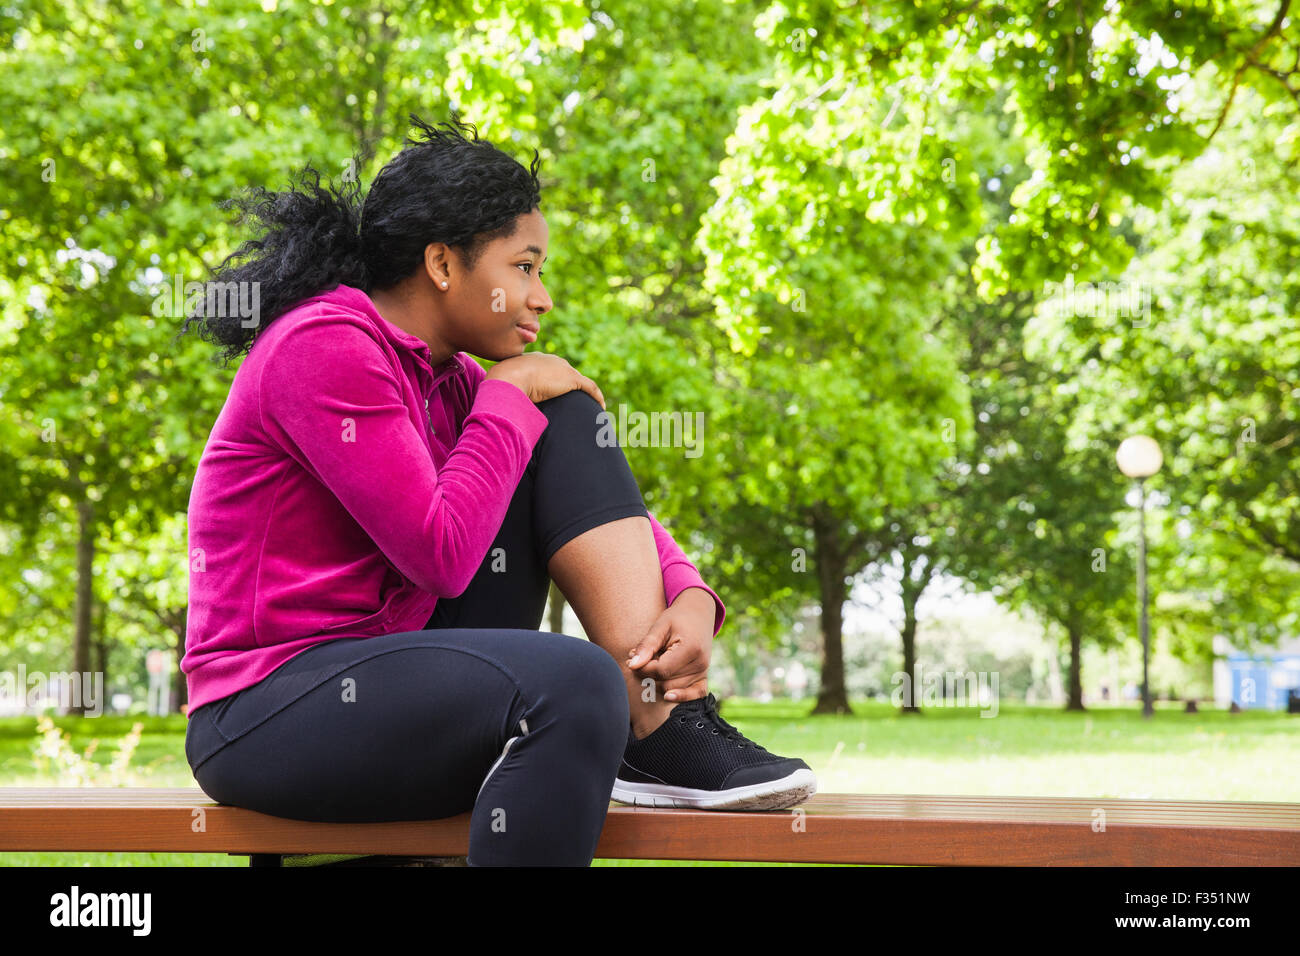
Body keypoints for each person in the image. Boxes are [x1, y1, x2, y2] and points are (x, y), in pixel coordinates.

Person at [176, 113, 815, 867]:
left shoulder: (452, 380)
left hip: (395, 668)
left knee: (565, 415)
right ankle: (631, 728)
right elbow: (439, 555)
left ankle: (664, 723)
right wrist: (509, 396)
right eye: (524, 267)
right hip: (267, 708)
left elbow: (600, 509)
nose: (541, 297)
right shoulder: (323, 346)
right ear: (443, 264)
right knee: (575, 684)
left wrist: (691, 595)